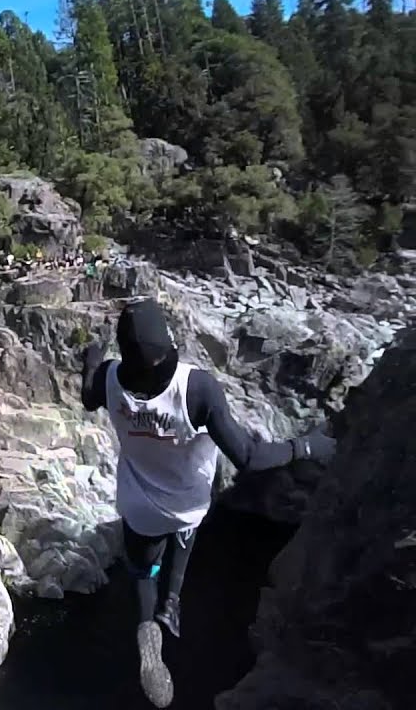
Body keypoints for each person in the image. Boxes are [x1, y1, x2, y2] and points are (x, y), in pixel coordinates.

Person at [79, 298, 337, 708]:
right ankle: (174, 603)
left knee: (143, 570)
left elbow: (88, 397)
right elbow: (249, 457)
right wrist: (307, 445)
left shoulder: (111, 377)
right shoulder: (195, 388)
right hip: (188, 501)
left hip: (140, 503)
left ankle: (148, 627)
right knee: (185, 533)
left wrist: (92, 360)